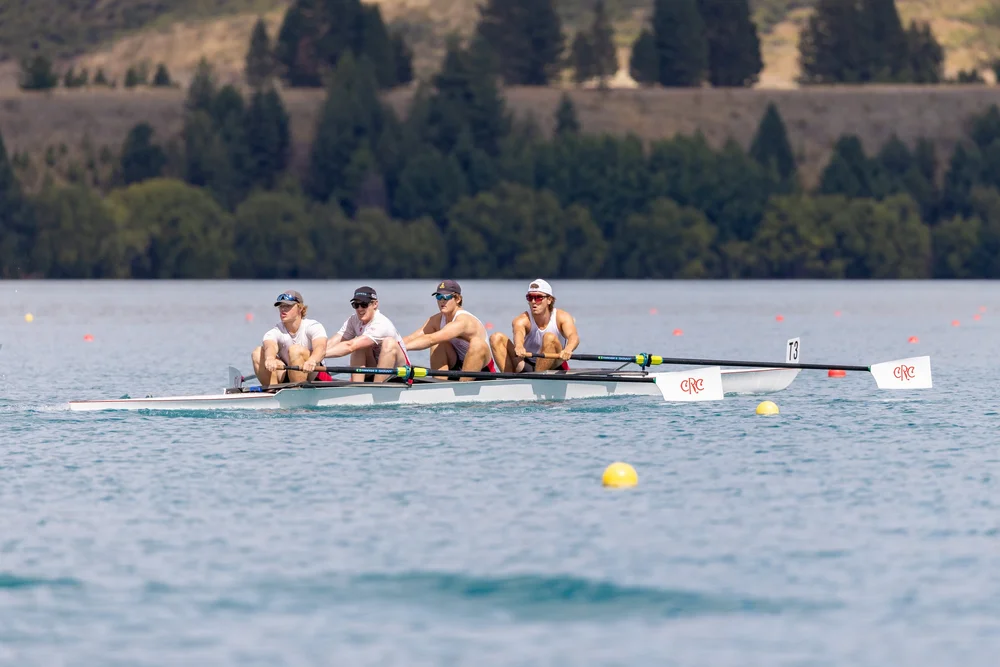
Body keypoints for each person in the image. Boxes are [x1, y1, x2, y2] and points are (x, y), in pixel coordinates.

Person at [403, 279, 498, 380]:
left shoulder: (463, 320)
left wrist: (404, 348)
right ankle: (439, 383)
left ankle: (463, 385)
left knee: (477, 343)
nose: (442, 301)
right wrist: (394, 346)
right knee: (438, 344)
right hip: (459, 366)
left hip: (482, 370)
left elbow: (431, 339)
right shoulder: (436, 320)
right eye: (439, 297)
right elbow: (412, 338)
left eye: (446, 297)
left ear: (458, 299)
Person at [489, 278, 579, 373]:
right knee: (496, 337)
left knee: (549, 337)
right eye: (530, 297)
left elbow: (573, 336)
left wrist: (568, 349)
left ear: (549, 300)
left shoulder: (562, 317)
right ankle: (508, 379)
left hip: (554, 365)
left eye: (538, 297)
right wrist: (519, 346)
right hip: (526, 364)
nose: (533, 301)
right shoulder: (521, 320)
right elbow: (518, 333)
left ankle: (536, 377)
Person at [323, 285, 411, 383]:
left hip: (399, 374)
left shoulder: (381, 324)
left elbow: (349, 346)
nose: (360, 309)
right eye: (356, 305)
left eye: (364, 304)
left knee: (388, 342)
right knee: (360, 347)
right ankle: (356, 386)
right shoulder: (353, 320)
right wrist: (314, 353)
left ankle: (376, 387)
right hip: (374, 368)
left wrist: (320, 355)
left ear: (375, 304)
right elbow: (335, 341)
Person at [252, 290, 329, 388]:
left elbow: (321, 348)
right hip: (288, 373)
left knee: (295, 350)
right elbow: (270, 346)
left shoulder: (313, 326)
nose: (283, 309)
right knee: (258, 352)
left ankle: (297, 391)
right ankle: (272, 390)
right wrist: (270, 358)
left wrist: (312, 360)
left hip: (313, 374)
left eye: (288, 306)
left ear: (300, 308)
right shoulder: (276, 331)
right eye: (281, 306)